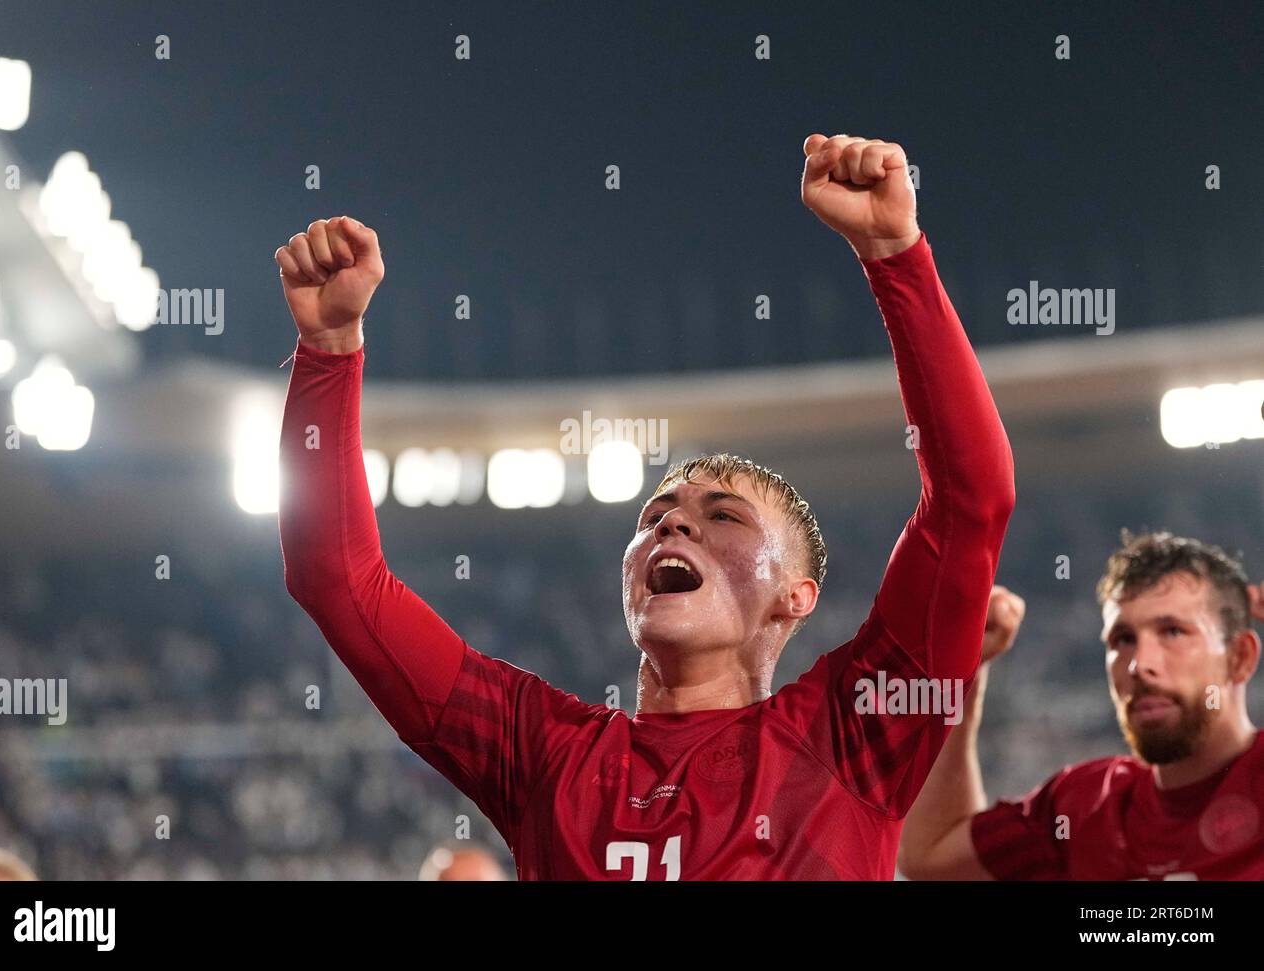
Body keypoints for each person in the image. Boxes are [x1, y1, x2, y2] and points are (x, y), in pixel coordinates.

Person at [275, 133, 1014, 879]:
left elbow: (971, 499)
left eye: (724, 515)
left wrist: (897, 255)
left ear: (796, 596)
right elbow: (336, 577)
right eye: (655, 515)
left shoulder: (853, 732)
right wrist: (329, 348)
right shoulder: (544, 754)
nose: (674, 521)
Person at [899, 532, 1264, 880]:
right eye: (1122, 639)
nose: (1139, 664)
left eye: (1173, 632)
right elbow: (930, 856)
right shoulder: (1085, 807)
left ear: (1240, 657)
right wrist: (963, 666)